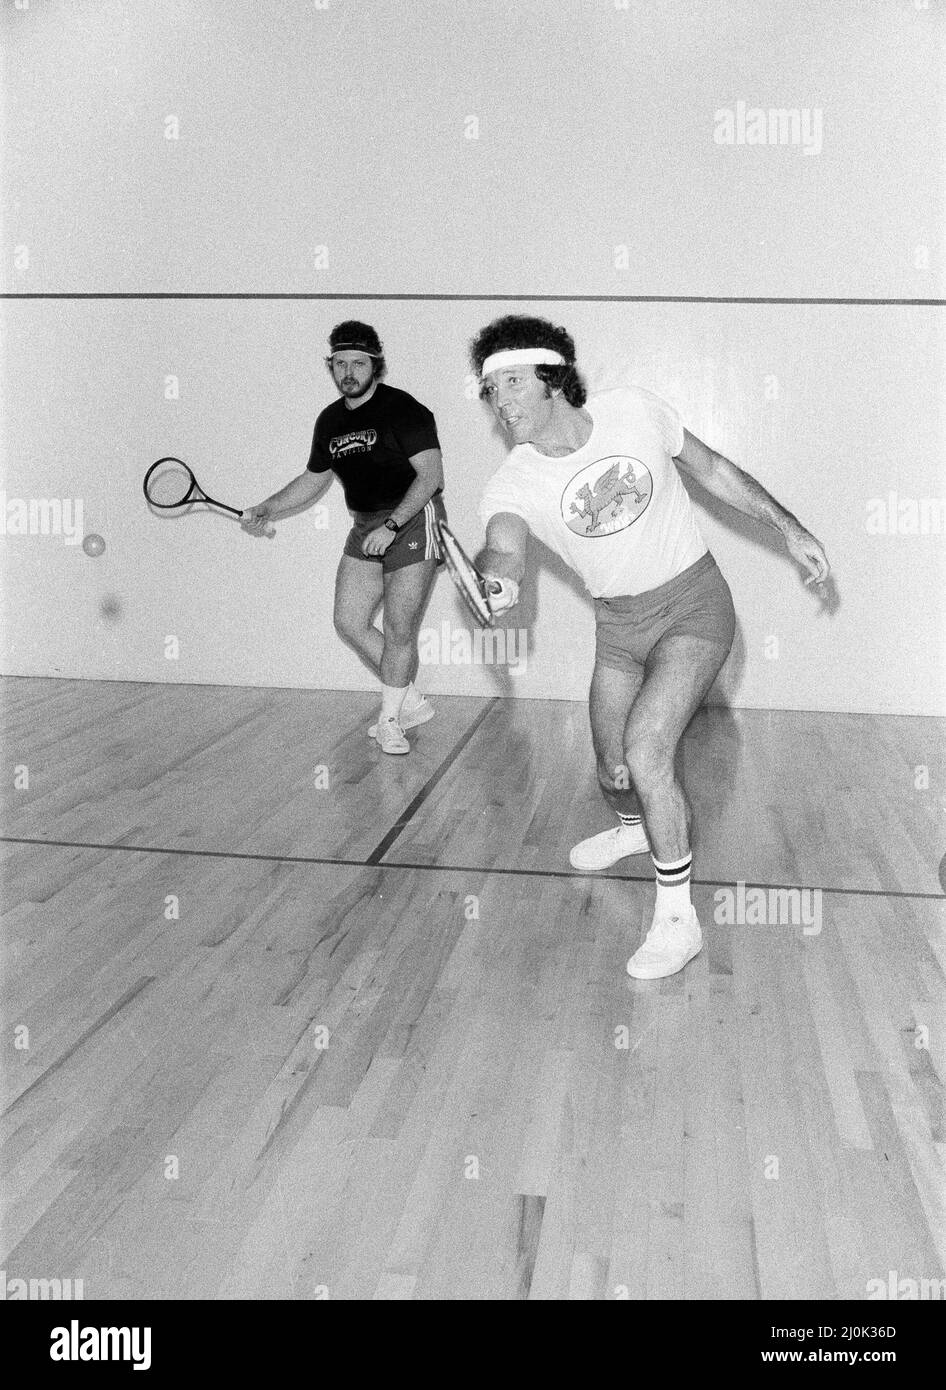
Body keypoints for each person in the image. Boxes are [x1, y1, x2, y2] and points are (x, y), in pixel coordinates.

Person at [471, 315, 830, 979]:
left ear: (552, 379)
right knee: (614, 766)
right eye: (490, 392)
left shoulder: (633, 411)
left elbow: (715, 470)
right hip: (619, 628)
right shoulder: (513, 482)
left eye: (511, 382)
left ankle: (676, 919)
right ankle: (639, 828)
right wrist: (494, 582)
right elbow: (503, 549)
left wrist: (791, 528)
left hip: (696, 606)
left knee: (647, 749)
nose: (501, 401)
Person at [242, 322, 446, 754]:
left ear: (376, 365)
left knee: (398, 629)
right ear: (331, 366)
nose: (348, 371)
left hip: (413, 519)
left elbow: (430, 476)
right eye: (340, 363)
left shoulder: (405, 410)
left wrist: (392, 527)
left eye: (358, 362)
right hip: (366, 525)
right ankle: (409, 699)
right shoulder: (330, 420)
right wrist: (268, 507)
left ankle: (390, 720)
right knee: (349, 621)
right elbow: (313, 480)